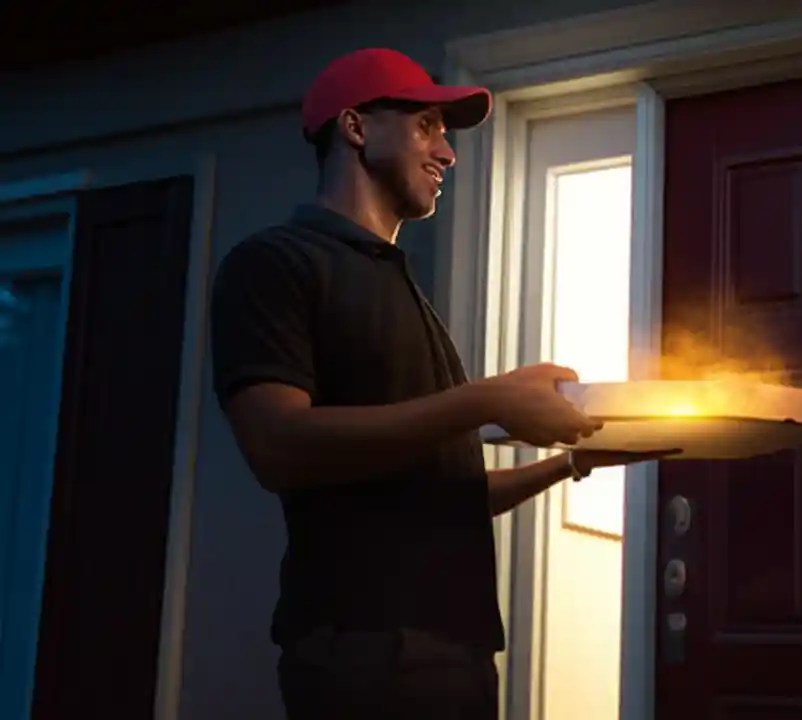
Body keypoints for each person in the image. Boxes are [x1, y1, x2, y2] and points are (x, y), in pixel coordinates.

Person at [209, 48, 667, 719]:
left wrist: (572, 463)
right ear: (356, 128)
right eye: (427, 126)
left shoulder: (399, 285)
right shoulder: (274, 265)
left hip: (455, 649)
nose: (447, 154)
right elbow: (276, 446)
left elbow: (439, 494)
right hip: (366, 648)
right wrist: (485, 398)